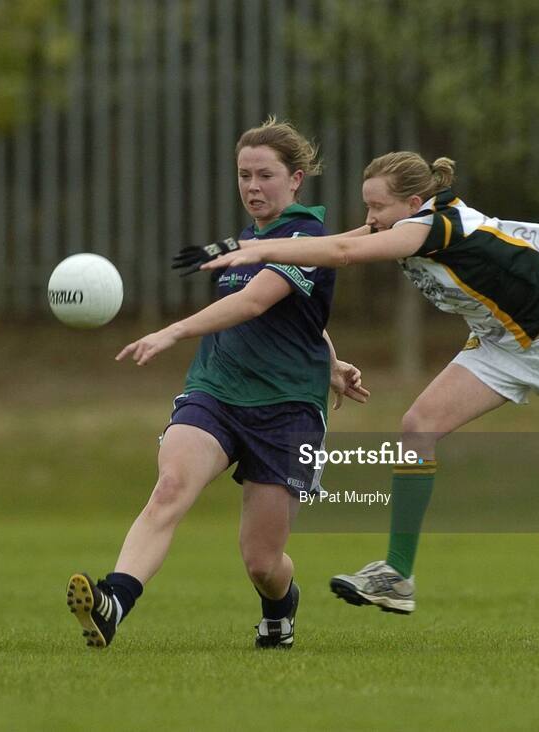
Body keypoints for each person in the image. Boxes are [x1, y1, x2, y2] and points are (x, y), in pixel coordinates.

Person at [194, 151, 539, 634]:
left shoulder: (433, 227)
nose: (369, 219)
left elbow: (340, 255)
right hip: (499, 345)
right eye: (367, 207)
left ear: (412, 202)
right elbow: (340, 240)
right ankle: (398, 574)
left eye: (377, 208)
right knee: (417, 426)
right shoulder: (404, 223)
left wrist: (261, 253)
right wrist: (254, 246)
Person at [65, 117, 369, 650]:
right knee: (170, 489)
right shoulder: (250, 238)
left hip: (287, 409)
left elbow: (257, 301)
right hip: (217, 390)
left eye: (265, 175)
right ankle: (114, 601)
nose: (252, 186)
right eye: (243, 175)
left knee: (262, 561)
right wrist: (333, 357)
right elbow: (300, 317)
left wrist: (172, 330)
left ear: (296, 179)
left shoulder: (308, 237)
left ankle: (281, 605)